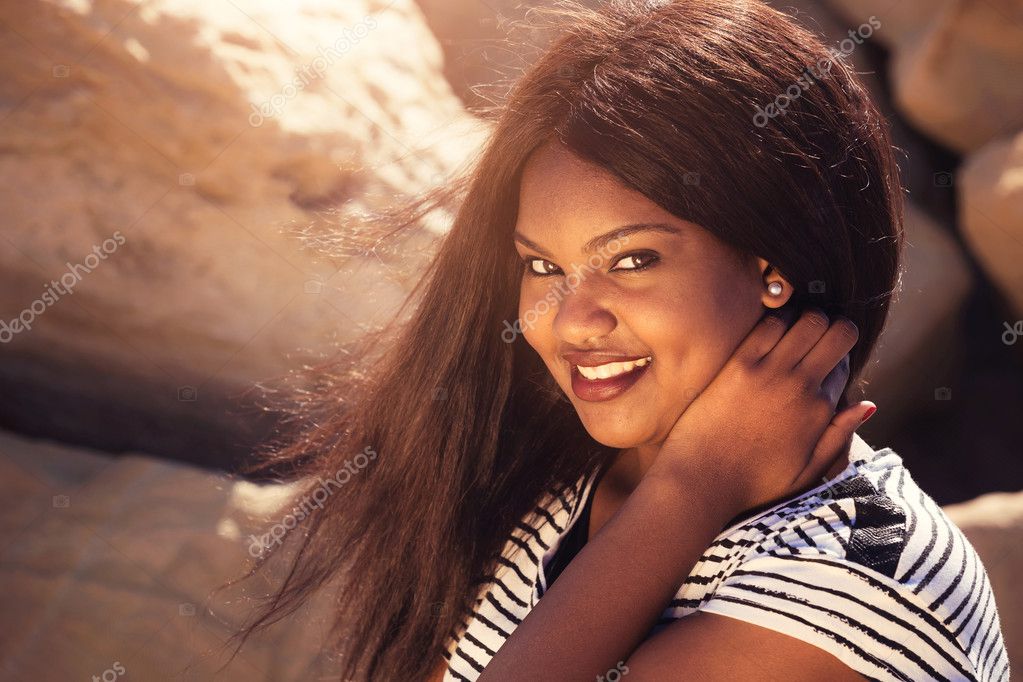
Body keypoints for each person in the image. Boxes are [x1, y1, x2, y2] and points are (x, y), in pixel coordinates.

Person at [229, 1, 1010, 680]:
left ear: (775, 265)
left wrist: (692, 489)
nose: (570, 320)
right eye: (542, 266)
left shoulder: (859, 578)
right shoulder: (560, 491)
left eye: (631, 260)